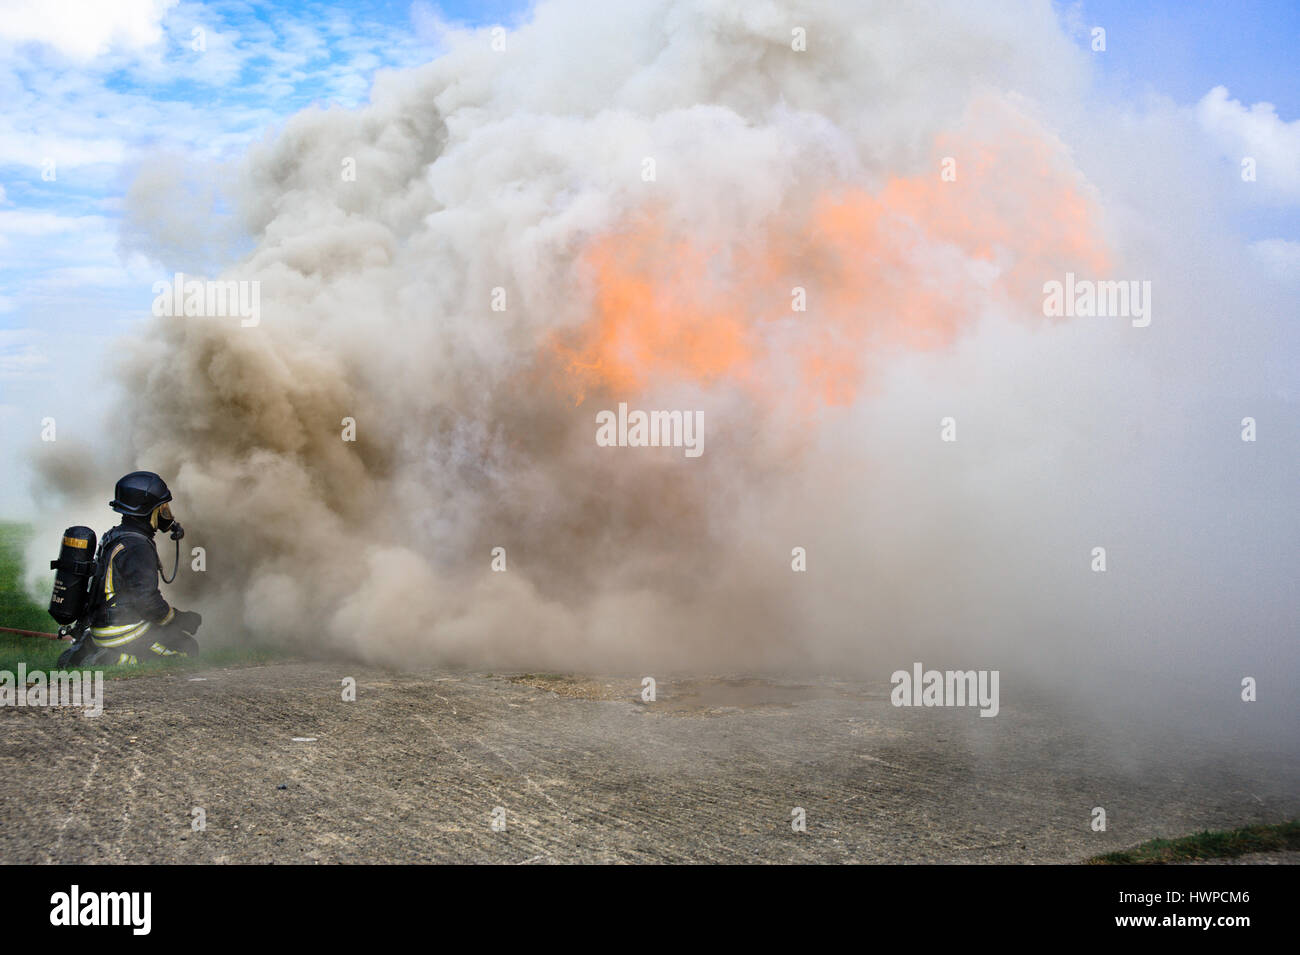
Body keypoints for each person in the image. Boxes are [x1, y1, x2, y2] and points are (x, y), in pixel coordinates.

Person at [73, 471, 202, 666]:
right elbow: (149, 604)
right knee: (187, 649)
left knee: (172, 636)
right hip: (122, 629)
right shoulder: (137, 546)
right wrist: (181, 619)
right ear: (149, 510)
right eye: (162, 507)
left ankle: (96, 649)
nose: (166, 513)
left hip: (101, 626)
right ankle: (113, 660)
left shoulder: (115, 535)